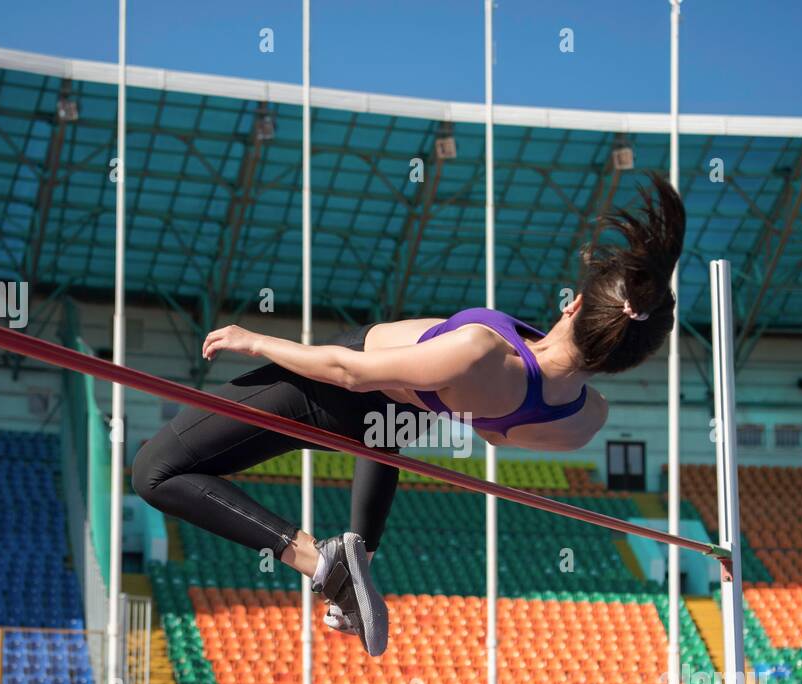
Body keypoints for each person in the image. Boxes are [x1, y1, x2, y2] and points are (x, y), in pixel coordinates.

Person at [132, 172, 685, 657]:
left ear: (576, 304)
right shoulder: (585, 420)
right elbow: (495, 437)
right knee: (389, 432)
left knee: (154, 471)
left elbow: (348, 372)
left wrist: (257, 340)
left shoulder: (480, 349)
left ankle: (319, 561)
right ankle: (357, 562)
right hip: (388, 432)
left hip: (326, 389)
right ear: (625, 359)